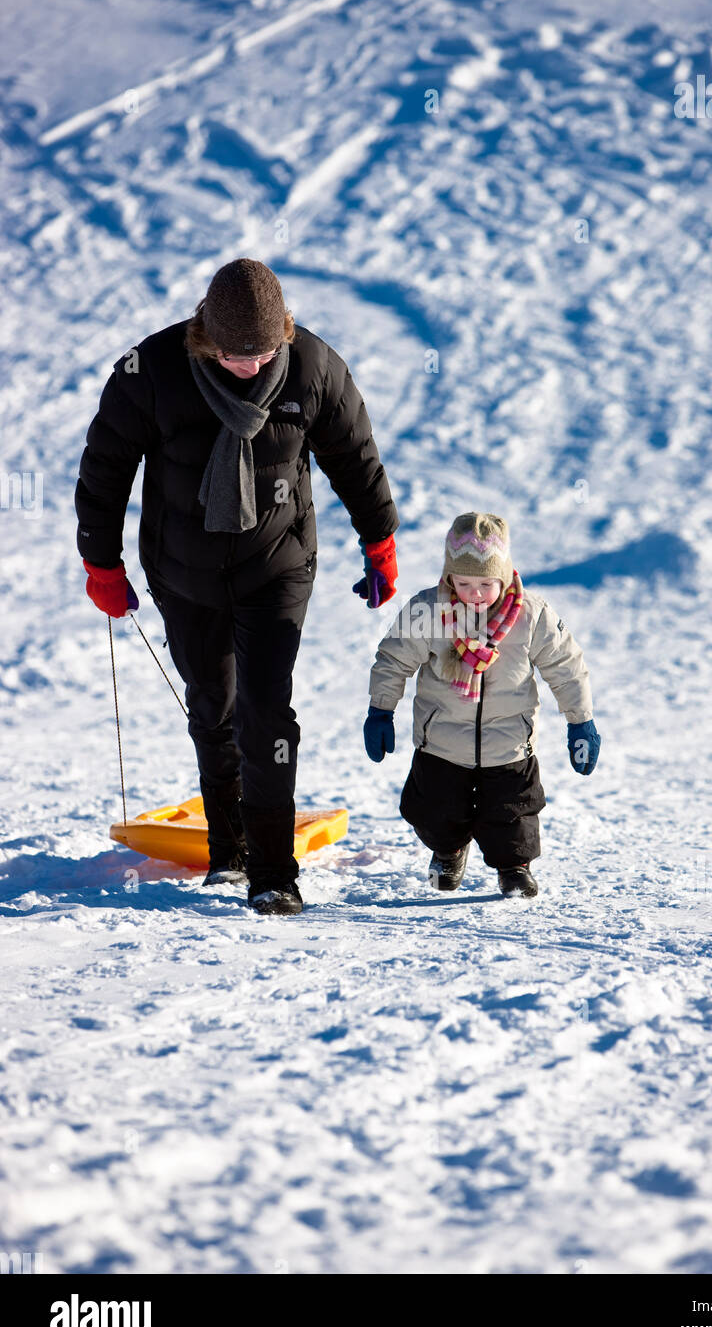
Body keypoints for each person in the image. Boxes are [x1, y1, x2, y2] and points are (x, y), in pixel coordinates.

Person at [76, 258, 399, 916]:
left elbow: (354, 454)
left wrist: (380, 541)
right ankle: (227, 852)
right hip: (183, 570)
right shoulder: (154, 370)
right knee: (212, 708)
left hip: (277, 565)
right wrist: (101, 564)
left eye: (261, 352)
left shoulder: (312, 367)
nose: (249, 366)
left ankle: (273, 873)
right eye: (233, 353)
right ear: (205, 337)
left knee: (265, 710)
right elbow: (105, 466)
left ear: (282, 334)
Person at [362, 512, 600, 898]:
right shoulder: (427, 612)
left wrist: (580, 722)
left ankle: (514, 868)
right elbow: (393, 660)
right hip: (441, 740)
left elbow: (566, 666)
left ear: (503, 577)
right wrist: (381, 710)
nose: (475, 592)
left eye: (486, 583)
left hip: (508, 741)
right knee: (436, 810)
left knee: (513, 813)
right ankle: (448, 850)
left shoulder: (531, 616)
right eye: (465, 582)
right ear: (449, 576)